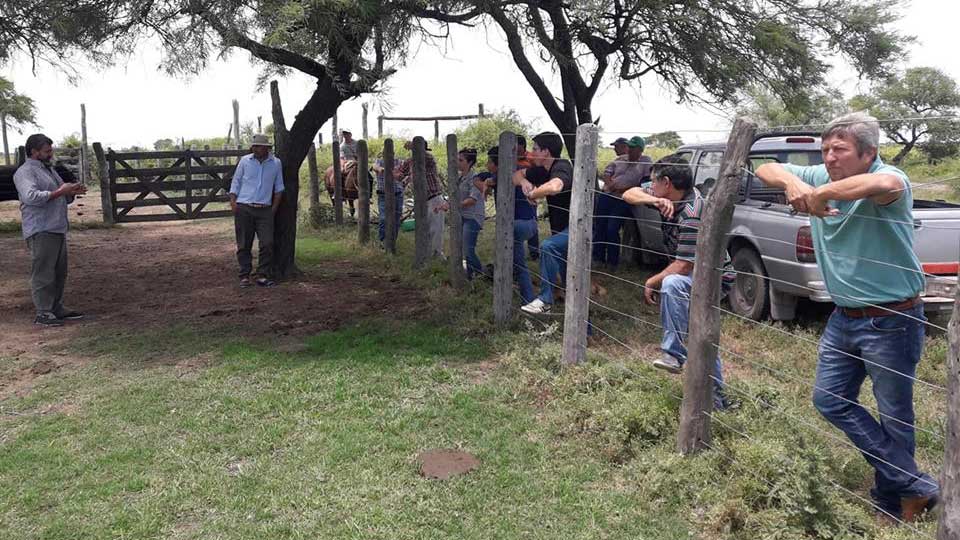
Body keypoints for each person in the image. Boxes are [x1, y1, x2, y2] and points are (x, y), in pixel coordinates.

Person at [754, 111, 939, 523]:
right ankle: (919, 486)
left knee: (895, 414)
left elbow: (885, 184)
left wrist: (822, 194)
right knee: (829, 400)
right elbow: (765, 166)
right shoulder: (818, 174)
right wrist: (795, 182)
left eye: (840, 150)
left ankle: (893, 502)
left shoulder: (887, 179)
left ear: (869, 153)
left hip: (892, 318)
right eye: (825, 151)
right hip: (844, 316)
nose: (830, 158)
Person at [622, 154, 731, 409]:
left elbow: (683, 266)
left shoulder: (692, 213)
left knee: (671, 284)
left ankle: (673, 353)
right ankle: (718, 400)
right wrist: (654, 199)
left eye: (654, 182)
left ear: (667, 182)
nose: (651, 185)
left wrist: (652, 281)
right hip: (693, 272)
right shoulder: (668, 198)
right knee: (699, 335)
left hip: (715, 277)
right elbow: (629, 193)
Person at [13, 133, 87, 326]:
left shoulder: (49, 170)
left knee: (59, 271)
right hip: (41, 228)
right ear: (34, 152)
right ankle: (43, 312)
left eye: (50, 150)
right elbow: (31, 197)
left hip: (56, 227)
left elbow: (60, 194)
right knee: (44, 272)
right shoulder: (25, 172)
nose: (50, 153)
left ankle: (56, 307)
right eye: (47, 151)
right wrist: (60, 192)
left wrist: (70, 192)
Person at [517, 132, 574, 314]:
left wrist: (533, 194)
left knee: (547, 247)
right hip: (562, 229)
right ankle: (585, 332)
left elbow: (555, 186)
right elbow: (516, 175)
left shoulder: (562, 166)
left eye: (535, 149)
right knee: (570, 281)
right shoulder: (543, 170)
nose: (531, 153)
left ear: (546, 152)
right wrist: (525, 183)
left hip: (579, 228)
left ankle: (545, 300)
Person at [229, 134, 284, 287]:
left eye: (259, 146)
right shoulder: (245, 161)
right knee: (244, 243)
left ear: (267, 148)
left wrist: (273, 209)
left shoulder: (275, 163)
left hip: (265, 209)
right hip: (244, 207)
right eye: (255, 146)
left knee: (267, 243)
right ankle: (244, 275)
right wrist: (233, 202)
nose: (256, 148)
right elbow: (236, 182)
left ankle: (262, 274)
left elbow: (279, 188)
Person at [486, 146, 538, 303]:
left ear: (497, 163)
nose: (487, 165)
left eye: (489, 162)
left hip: (515, 225)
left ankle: (526, 299)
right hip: (531, 224)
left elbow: (488, 179)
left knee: (517, 264)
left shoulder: (501, 175)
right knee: (513, 258)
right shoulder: (523, 170)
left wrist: (487, 183)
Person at [593, 136, 652, 269]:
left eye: (633, 148)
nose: (630, 150)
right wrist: (610, 184)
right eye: (629, 147)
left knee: (612, 228)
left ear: (640, 150)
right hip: (607, 195)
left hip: (623, 199)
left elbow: (644, 183)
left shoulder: (646, 162)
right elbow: (607, 173)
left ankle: (613, 262)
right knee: (600, 226)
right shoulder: (619, 159)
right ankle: (598, 258)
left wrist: (624, 189)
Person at [396, 140, 444, 258]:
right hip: (420, 201)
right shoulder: (410, 161)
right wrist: (401, 176)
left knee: (436, 229)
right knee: (423, 228)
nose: (414, 152)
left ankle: (436, 255)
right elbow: (398, 173)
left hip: (434, 198)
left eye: (415, 149)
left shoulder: (428, 158)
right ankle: (425, 255)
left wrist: (414, 146)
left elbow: (422, 158)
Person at [451, 148, 484, 279]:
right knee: (464, 248)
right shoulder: (460, 178)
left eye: (461, 160)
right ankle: (471, 276)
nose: (458, 163)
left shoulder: (474, 178)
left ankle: (480, 273)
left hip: (473, 217)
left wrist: (453, 205)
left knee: (468, 249)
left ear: (470, 163)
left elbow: (472, 200)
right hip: (463, 216)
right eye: (457, 159)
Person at [515, 135, 540, 260]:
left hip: (531, 193)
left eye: (518, 149)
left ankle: (534, 251)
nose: (516, 152)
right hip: (516, 193)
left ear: (523, 147)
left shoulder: (531, 158)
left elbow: (538, 172)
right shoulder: (510, 158)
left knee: (532, 220)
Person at [373, 153, 404, 246]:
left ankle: (392, 241)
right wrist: (382, 169)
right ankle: (382, 241)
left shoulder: (399, 162)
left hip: (397, 194)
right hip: (383, 195)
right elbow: (375, 167)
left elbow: (403, 173)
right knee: (383, 218)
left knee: (396, 219)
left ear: (393, 154)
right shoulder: (379, 162)